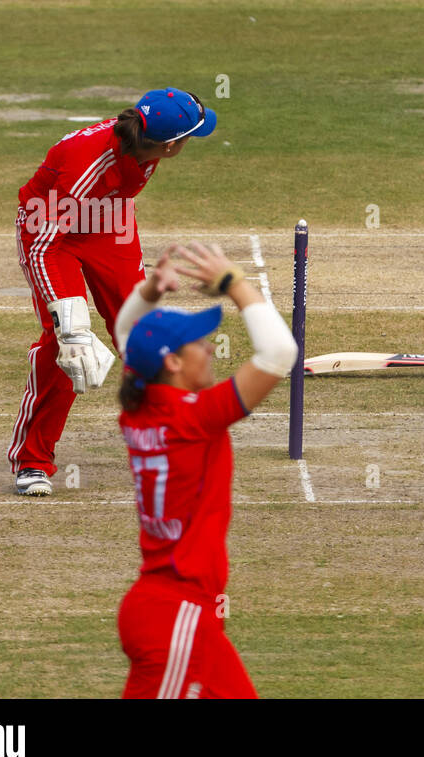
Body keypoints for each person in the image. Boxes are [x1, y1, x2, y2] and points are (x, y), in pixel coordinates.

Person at [9, 87, 217, 496]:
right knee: (65, 346)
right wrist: (69, 322)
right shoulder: (88, 168)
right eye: (190, 137)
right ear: (172, 145)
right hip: (52, 230)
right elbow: (42, 244)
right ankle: (32, 461)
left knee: (142, 333)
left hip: (109, 221)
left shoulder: (144, 144)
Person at [114, 242, 297, 699]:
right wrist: (235, 284)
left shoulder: (141, 405)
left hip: (175, 613)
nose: (210, 347)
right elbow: (279, 353)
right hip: (176, 616)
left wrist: (148, 292)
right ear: (172, 362)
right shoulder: (194, 417)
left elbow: (127, 336)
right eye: (198, 341)